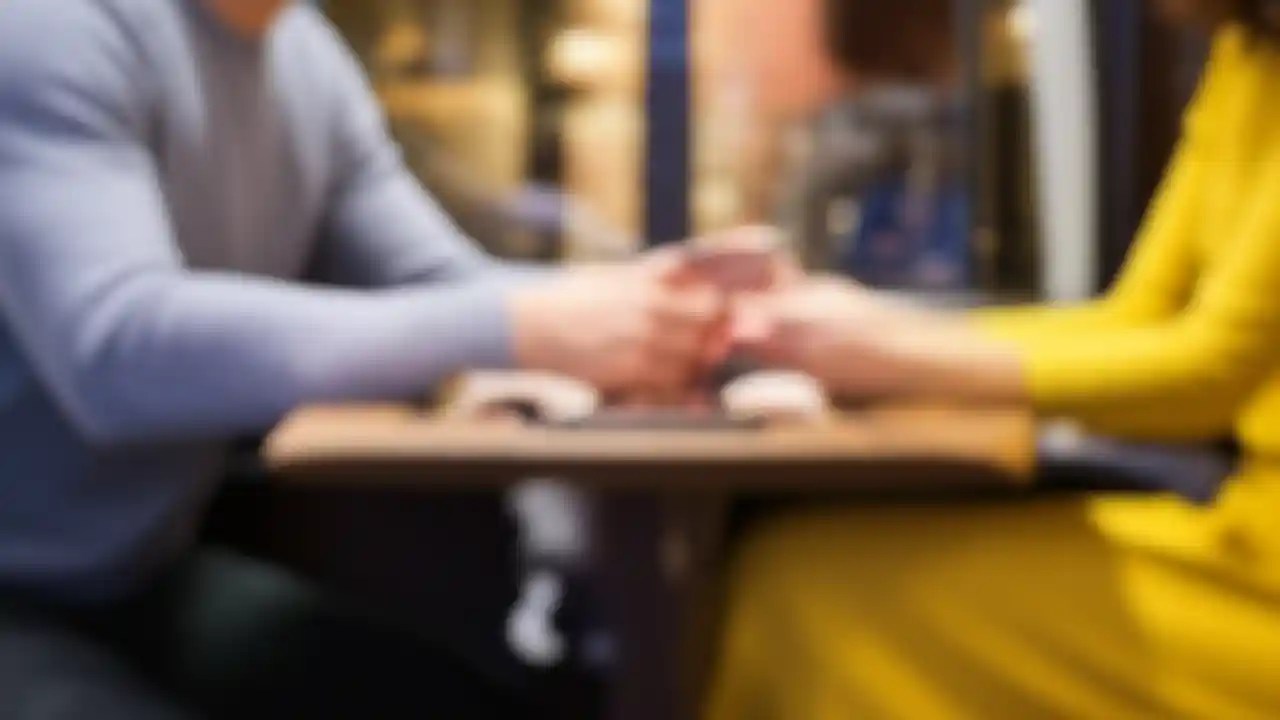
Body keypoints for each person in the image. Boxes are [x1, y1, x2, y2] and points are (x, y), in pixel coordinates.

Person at [0, 0, 726, 717]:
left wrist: (684, 309)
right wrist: (521, 324)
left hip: (140, 577)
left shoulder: (300, 51)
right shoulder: (53, 27)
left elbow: (439, 283)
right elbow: (115, 352)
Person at [707, 0, 1280, 716]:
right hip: (1242, 533)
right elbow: (1136, 316)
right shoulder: (1246, 56)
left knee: (807, 590)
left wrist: (887, 355)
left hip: (1260, 580)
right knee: (787, 562)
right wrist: (880, 327)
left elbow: (1205, 381)